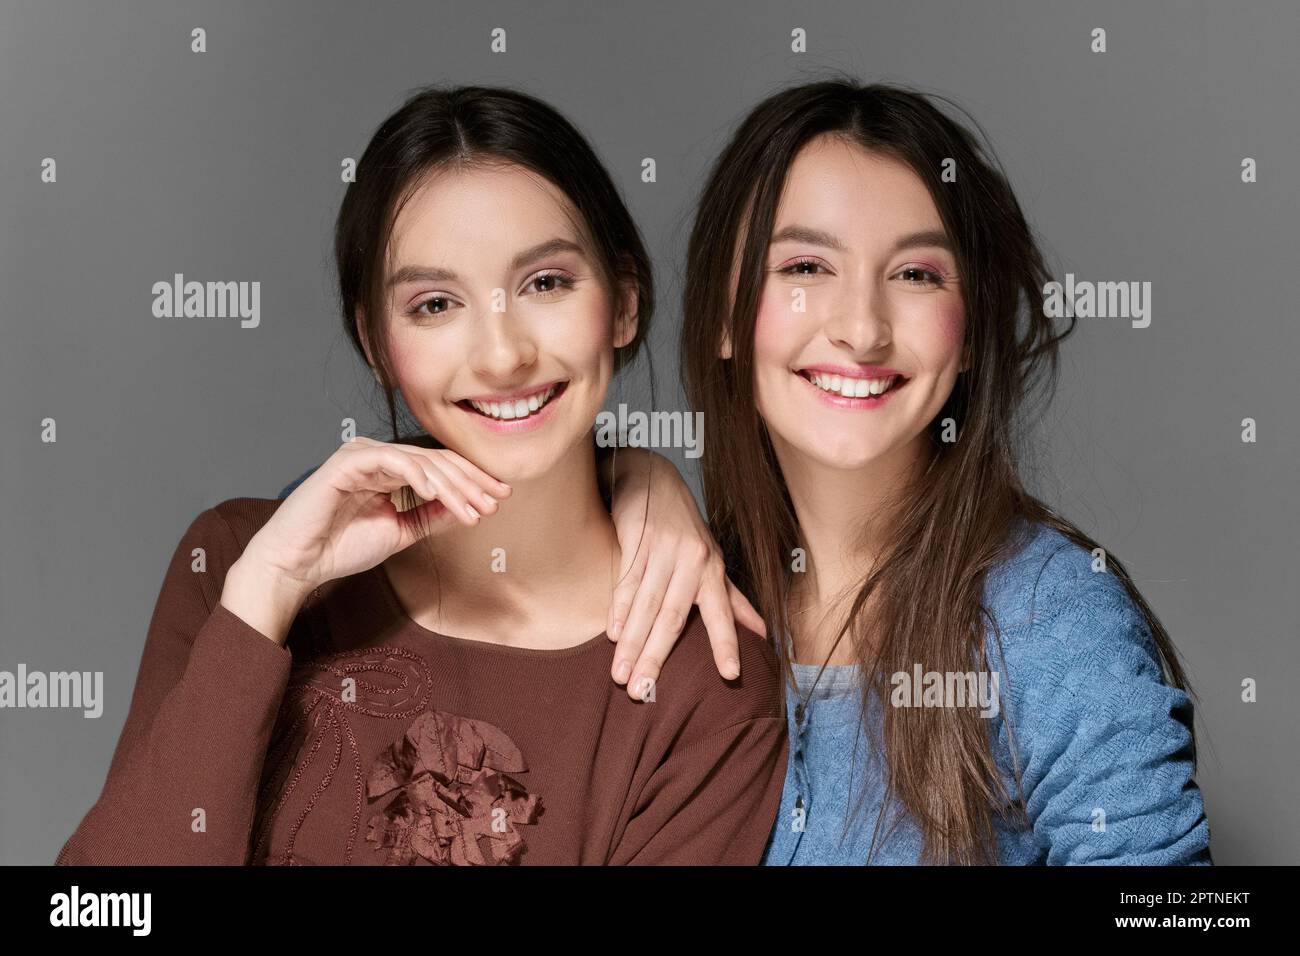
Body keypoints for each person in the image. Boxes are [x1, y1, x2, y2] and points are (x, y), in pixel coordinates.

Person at [55, 85, 787, 866]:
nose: (503, 355)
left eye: (546, 284)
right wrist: (266, 592)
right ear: (377, 341)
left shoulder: (703, 687)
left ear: (625, 302)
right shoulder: (234, 565)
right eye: (436, 304)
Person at [608, 78, 1212, 864]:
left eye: (917, 274)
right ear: (724, 316)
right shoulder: (681, 598)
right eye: (805, 266)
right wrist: (625, 475)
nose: (861, 329)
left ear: (965, 337)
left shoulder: (1050, 618)